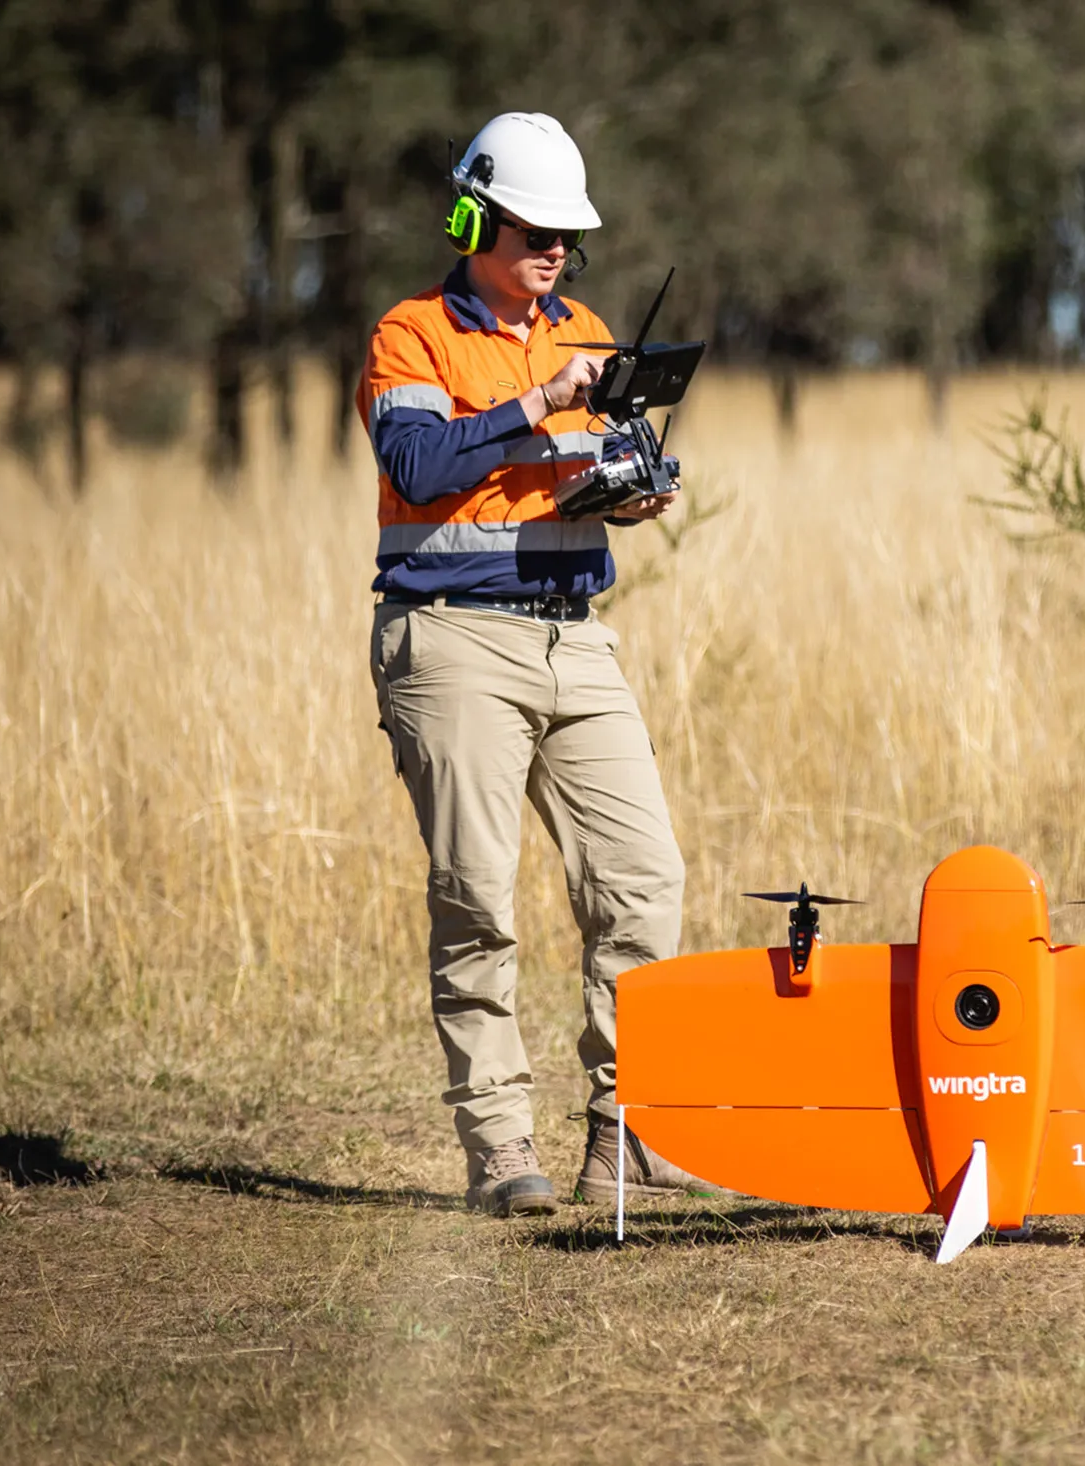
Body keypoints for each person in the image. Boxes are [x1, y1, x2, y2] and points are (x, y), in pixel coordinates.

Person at [360, 112, 695, 1216]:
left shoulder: (588, 329)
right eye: (532, 229)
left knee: (644, 881)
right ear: (473, 219)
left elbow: (585, 478)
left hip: (576, 634)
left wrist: (632, 492)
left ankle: (625, 1134)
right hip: (450, 636)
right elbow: (413, 456)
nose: (553, 251)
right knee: (476, 898)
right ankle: (501, 1147)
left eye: (568, 235)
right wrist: (536, 401)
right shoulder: (411, 337)